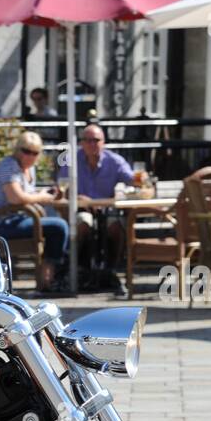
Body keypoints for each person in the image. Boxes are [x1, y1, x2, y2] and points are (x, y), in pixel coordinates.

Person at [0, 130, 69, 291]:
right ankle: (49, 277)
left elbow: (25, 196)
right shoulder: (8, 166)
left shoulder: (28, 169)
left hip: (18, 219)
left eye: (34, 153)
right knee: (59, 226)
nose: (29, 156)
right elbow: (15, 198)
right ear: (18, 150)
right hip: (1, 224)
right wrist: (43, 198)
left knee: (58, 225)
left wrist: (42, 195)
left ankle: (50, 277)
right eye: (26, 151)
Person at [56, 122, 135, 293]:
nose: (92, 144)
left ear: (103, 142)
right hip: (80, 209)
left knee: (116, 227)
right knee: (83, 223)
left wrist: (125, 189)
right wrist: (76, 197)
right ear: (81, 143)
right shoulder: (71, 161)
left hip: (108, 209)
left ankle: (111, 270)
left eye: (96, 140)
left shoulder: (114, 161)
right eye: (88, 140)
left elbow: (133, 180)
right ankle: (78, 269)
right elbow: (61, 189)